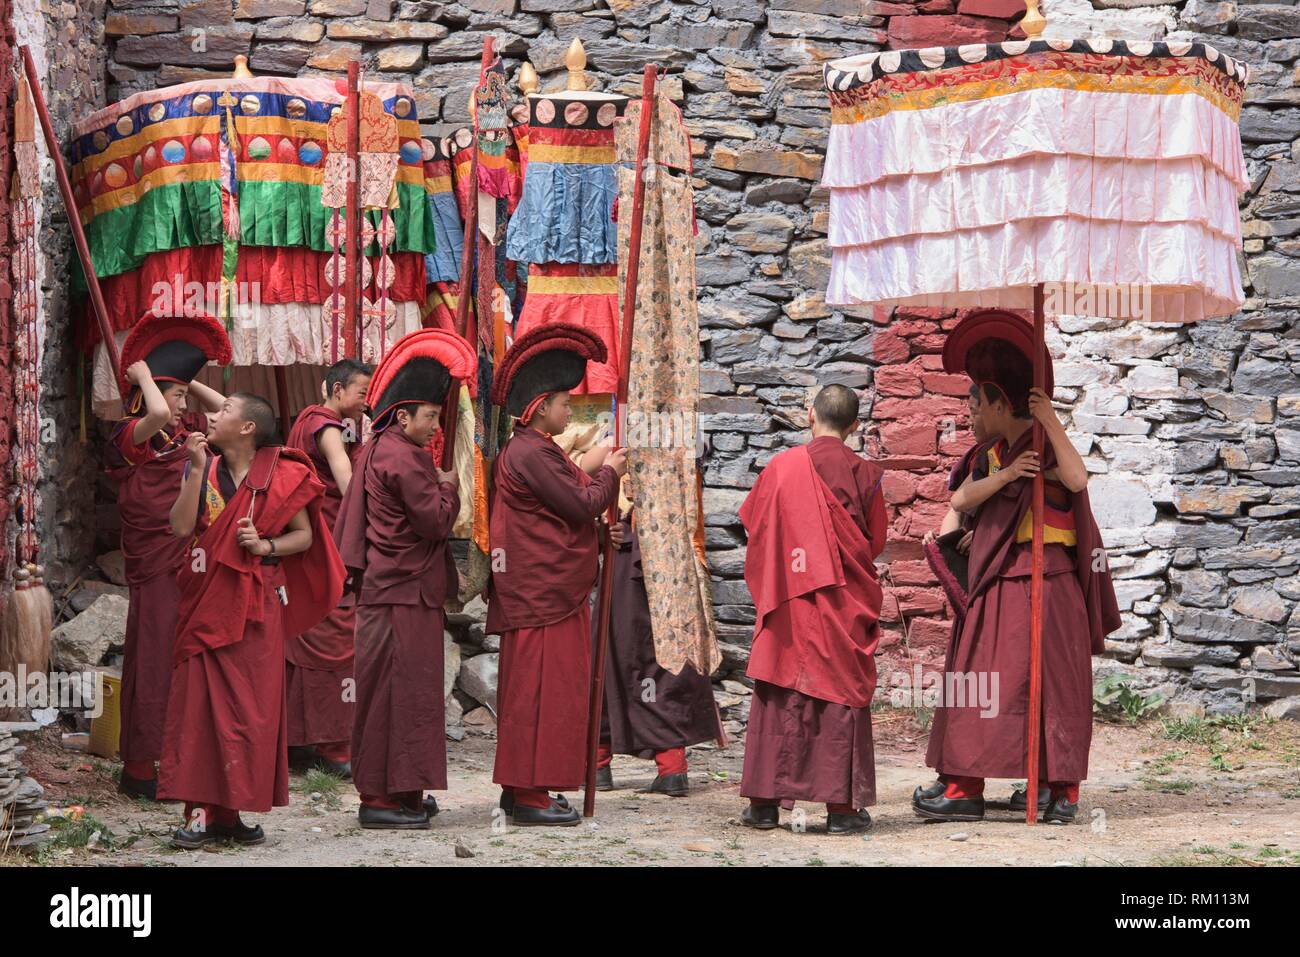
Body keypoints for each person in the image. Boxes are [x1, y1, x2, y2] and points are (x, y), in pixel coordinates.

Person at [914, 310, 1121, 824]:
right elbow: (962, 498)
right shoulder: (994, 454)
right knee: (979, 677)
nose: (969, 413)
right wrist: (1006, 476)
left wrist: (1050, 419)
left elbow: (1075, 480)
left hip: (1049, 582)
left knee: (1057, 683)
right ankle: (964, 786)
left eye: (974, 402)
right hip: (1001, 577)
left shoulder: (1043, 444)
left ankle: (1058, 791)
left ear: (1000, 402)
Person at [158, 393, 345, 848]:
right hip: (207, 600)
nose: (212, 415)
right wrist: (197, 470)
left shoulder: (283, 472)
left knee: (251, 710)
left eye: (224, 411)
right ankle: (198, 809)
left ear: (246, 428)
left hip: (258, 604)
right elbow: (181, 527)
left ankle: (232, 810)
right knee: (199, 705)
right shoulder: (203, 466)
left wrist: (264, 547)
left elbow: (303, 537)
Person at [487, 324, 626, 826]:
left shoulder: (534, 450)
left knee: (545, 692)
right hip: (541, 596)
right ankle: (528, 796)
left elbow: (556, 519)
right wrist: (612, 469)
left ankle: (527, 789)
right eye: (565, 403)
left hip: (540, 591)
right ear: (541, 405)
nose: (571, 413)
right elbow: (582, 501)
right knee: (539, 694)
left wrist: (593, 537)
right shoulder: (532, 451)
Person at [334, 330, 474, 829]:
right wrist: (449, 490)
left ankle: (404, 790)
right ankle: (380, 799)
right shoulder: (404, 456)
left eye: (438, 417)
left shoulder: (378, 449)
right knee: (398, 694)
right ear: (402, 416)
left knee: (397, 693)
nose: (436, 427)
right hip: (402, 595)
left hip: (388, 590)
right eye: (430, 417)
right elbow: (434, 523)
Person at [737, 384, 887, 835]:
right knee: (838, 692)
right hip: (843, 604)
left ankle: (763, 806)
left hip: (789, 600)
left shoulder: (781, 469)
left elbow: (755, 528)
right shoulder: (866, 473)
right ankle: (840, 811)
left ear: (810, 415)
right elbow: (873, 541)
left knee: (780, 689)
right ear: (855, 426)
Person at [107, 311, 229, 801]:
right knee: (153, 658)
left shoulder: (182, 437)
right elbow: (155, 414)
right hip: (156, 563)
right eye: (175, 395)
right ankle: (139, 768)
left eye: (181, 398)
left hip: (188, 561)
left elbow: (228, 413)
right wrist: (142, 378)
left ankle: (174, 759)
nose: (179, 407)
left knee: (182, 661)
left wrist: (191, 384)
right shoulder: (128, 435)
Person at [589, 472, 720, 797]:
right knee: (658, 662)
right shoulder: (676, 447)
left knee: (613, 656)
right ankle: (670, 766)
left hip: (639, 565)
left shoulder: (656, 448)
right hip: (668, 568)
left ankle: (598, 763)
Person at [283, 358, 374, 778]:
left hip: (311, 540)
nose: (365, 400)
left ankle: (298, 742)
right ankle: (336, 746)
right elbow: (345, 477)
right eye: (360, 393)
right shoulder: (326, 425)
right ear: (337, 391)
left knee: (306, 632)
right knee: (336, 640)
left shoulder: (310, 419)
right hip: (330, 539)